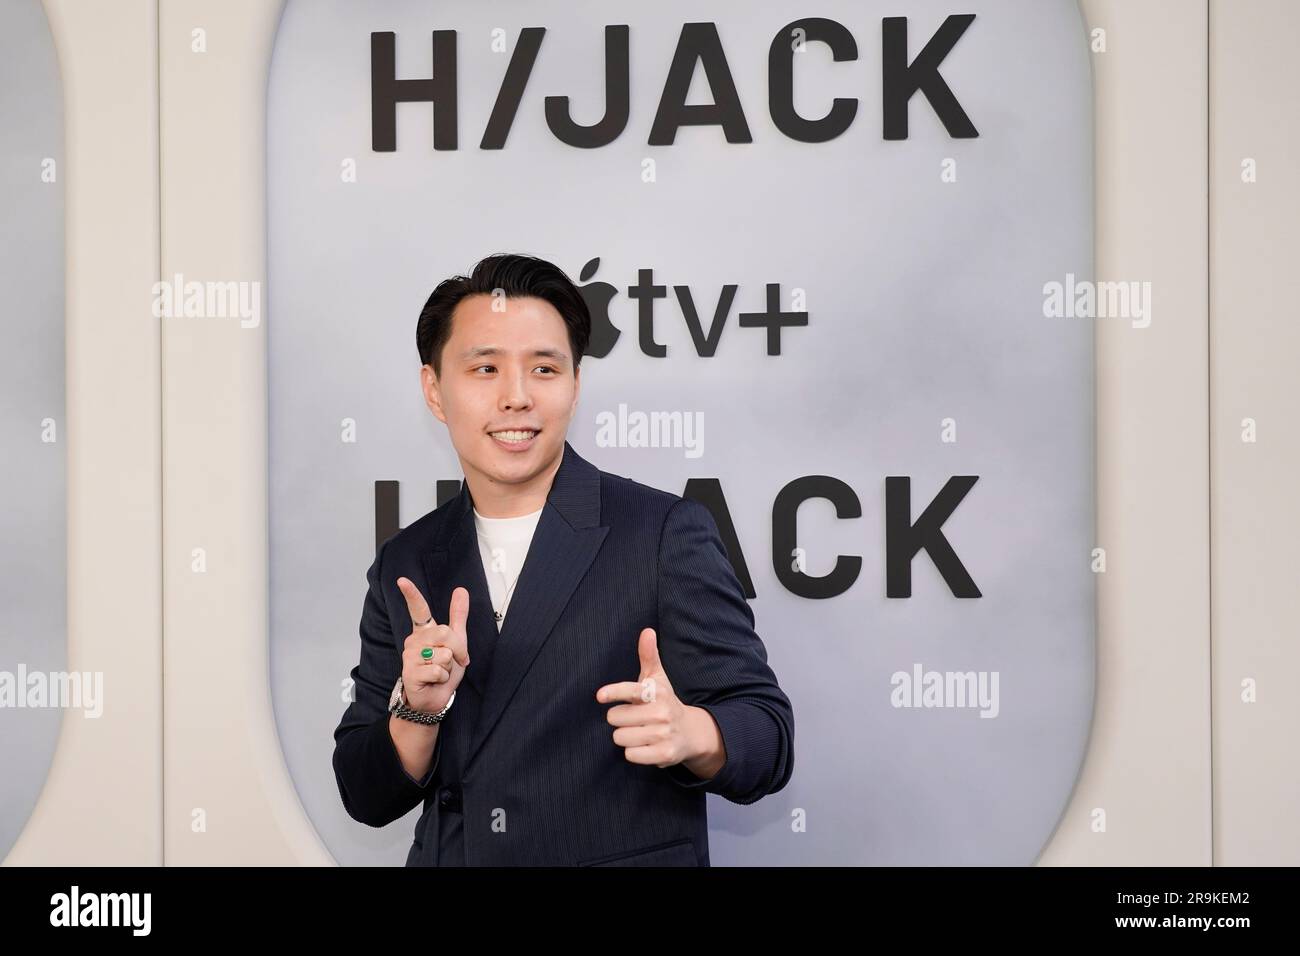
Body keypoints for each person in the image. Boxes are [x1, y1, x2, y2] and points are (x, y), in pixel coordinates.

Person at [331, 252, 794, 866]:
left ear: (575, 387)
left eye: (544, 368)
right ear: (435, 391)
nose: (516, 397)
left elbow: (767, 733)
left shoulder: (661, 532)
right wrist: (417, 708)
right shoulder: (408, 559)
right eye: (485, 368)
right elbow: (364, 792)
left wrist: (693, 735)